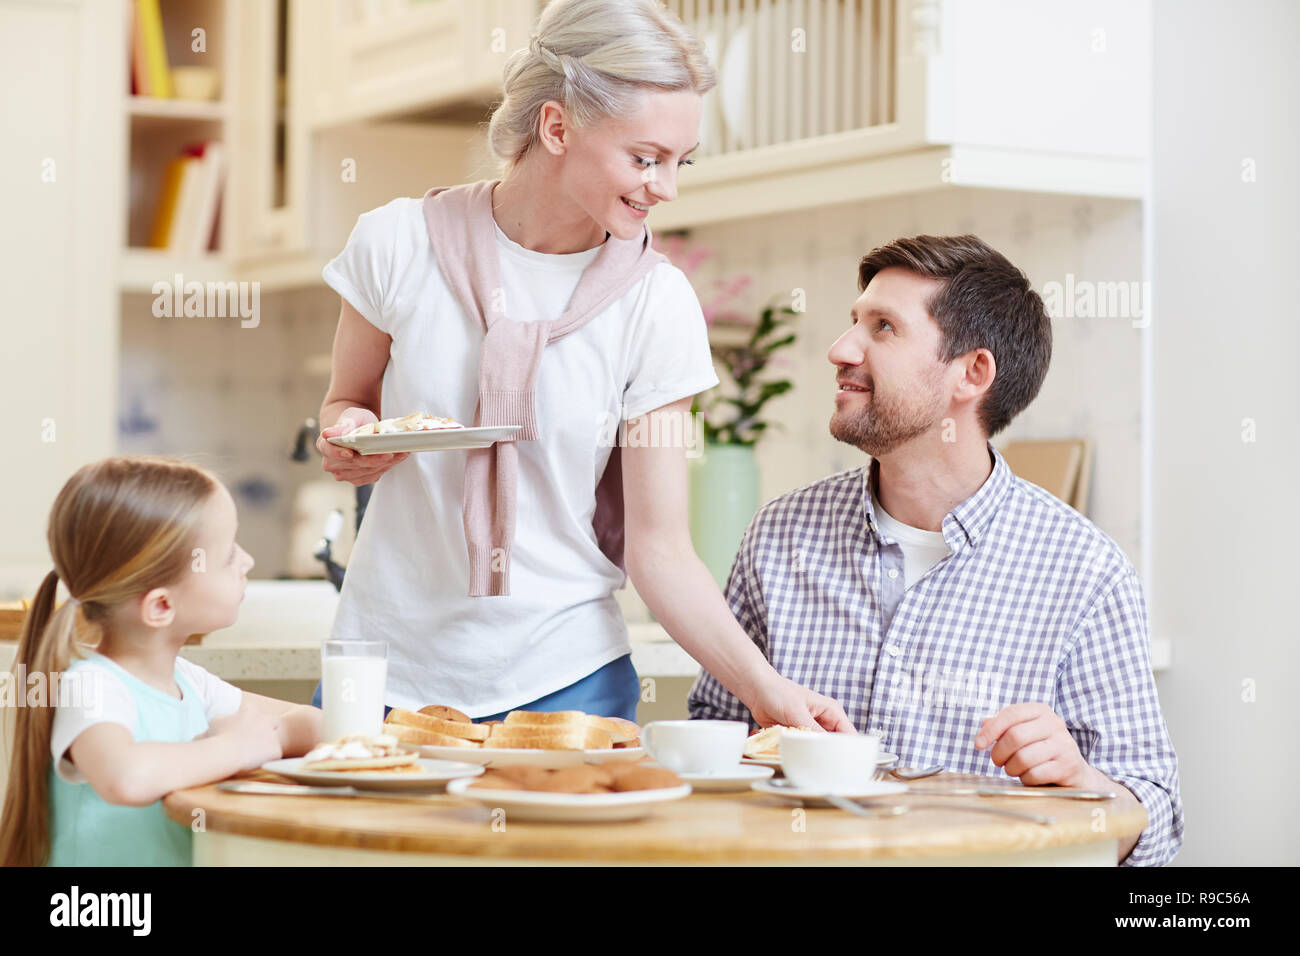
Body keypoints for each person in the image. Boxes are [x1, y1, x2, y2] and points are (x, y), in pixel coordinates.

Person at [312, 0, 852, 731]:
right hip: (382, 670)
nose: (667, 188)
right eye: (645, 158)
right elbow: (347, 401)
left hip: (567, 679)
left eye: (679, 162)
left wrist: (767, 691)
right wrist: (349, 437)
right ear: (557, 126)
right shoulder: (397, 244)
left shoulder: (655, 303)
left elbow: (661, 550)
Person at [688, 234, 1184, 866]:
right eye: (853, 323)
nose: (842, 350)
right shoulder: (780, 535)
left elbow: (1157, 820)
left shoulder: (1085, 572)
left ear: (971, 374)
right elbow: (712, 738)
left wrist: (1083, 781)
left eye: (884, 328)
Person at [0, 456, 323, 866]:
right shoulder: (93, 687)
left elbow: (309, 723)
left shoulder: (188, 683)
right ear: (161, 606)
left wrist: (276, 734)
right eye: (227, 556)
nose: (247, 562)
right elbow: (126, 778)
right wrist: (235, 747)